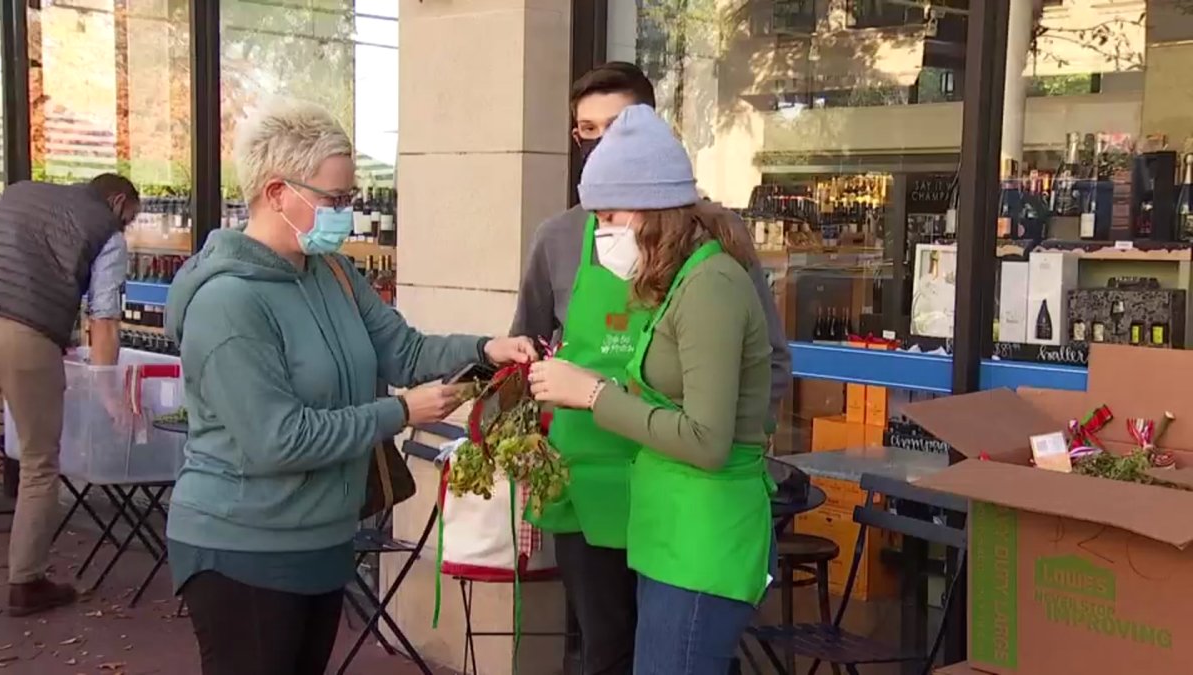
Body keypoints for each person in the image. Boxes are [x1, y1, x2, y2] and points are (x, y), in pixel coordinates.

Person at [163, 100, 537, 675]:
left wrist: (485, 349)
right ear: (277, 192)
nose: (348, 214)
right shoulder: (227, 302)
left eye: (351, 198)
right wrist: (399, 412)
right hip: (243, 548)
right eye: (334, 200)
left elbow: (405, 350)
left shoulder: (334, 272)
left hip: (322, 542)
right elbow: (277, 440)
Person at [511, 62, 789, 674]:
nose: (601, 230)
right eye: (587, 131)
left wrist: (593, 395)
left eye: (610, 217)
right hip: (616, 493)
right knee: (610, 652)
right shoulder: (570, 241)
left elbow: (713, 431)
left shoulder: (710, 277)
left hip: (694, 512)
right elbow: (526, 341)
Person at [0, 174, 139, 616]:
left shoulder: (18, 194)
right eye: (129, 219)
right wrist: (109, 391)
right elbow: (106, 318)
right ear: (116, 201)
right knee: (40, 463)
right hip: (26, 335)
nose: (127, 229)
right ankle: (27, 583)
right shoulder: (105, 233)